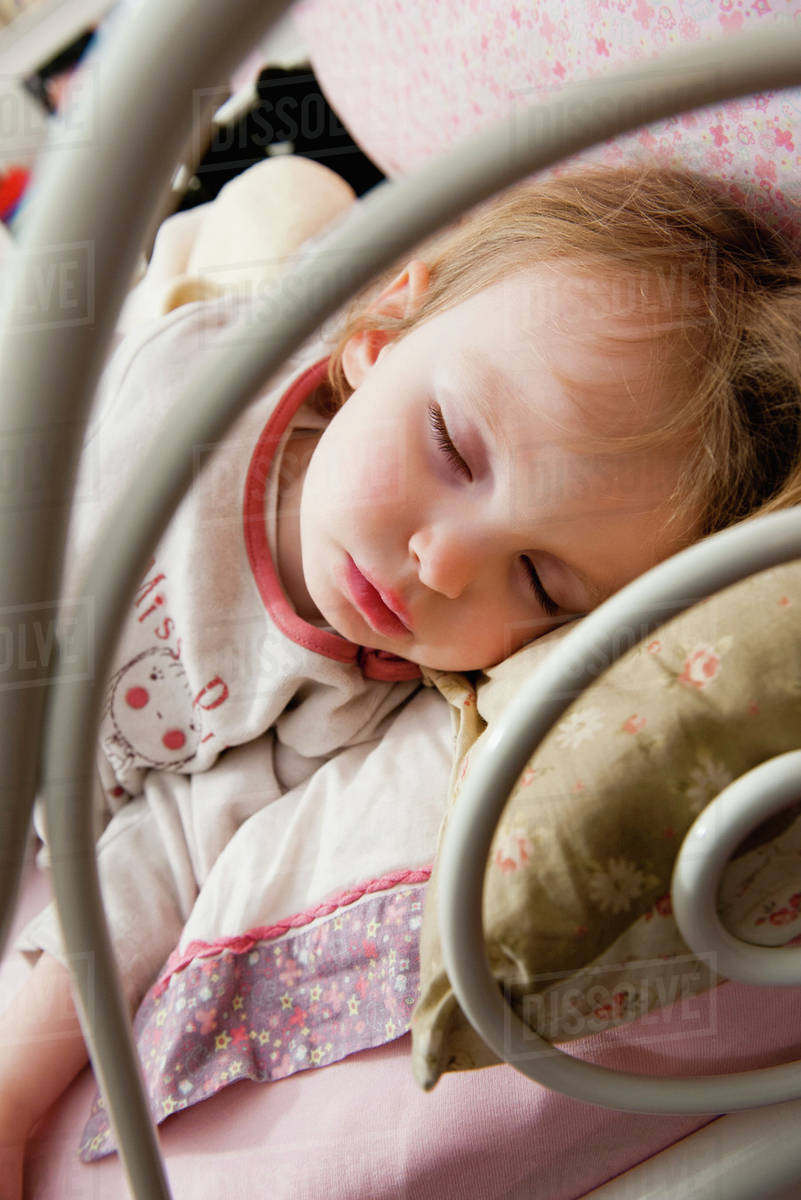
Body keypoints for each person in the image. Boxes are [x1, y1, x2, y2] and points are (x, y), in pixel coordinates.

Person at [3, 162, 801, 1196]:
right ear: (382, 334)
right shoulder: (168, 399)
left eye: (538, 579)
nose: (445, 566)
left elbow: (164, 846)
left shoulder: (359, 691)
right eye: (452, 449)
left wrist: (18, 1087)